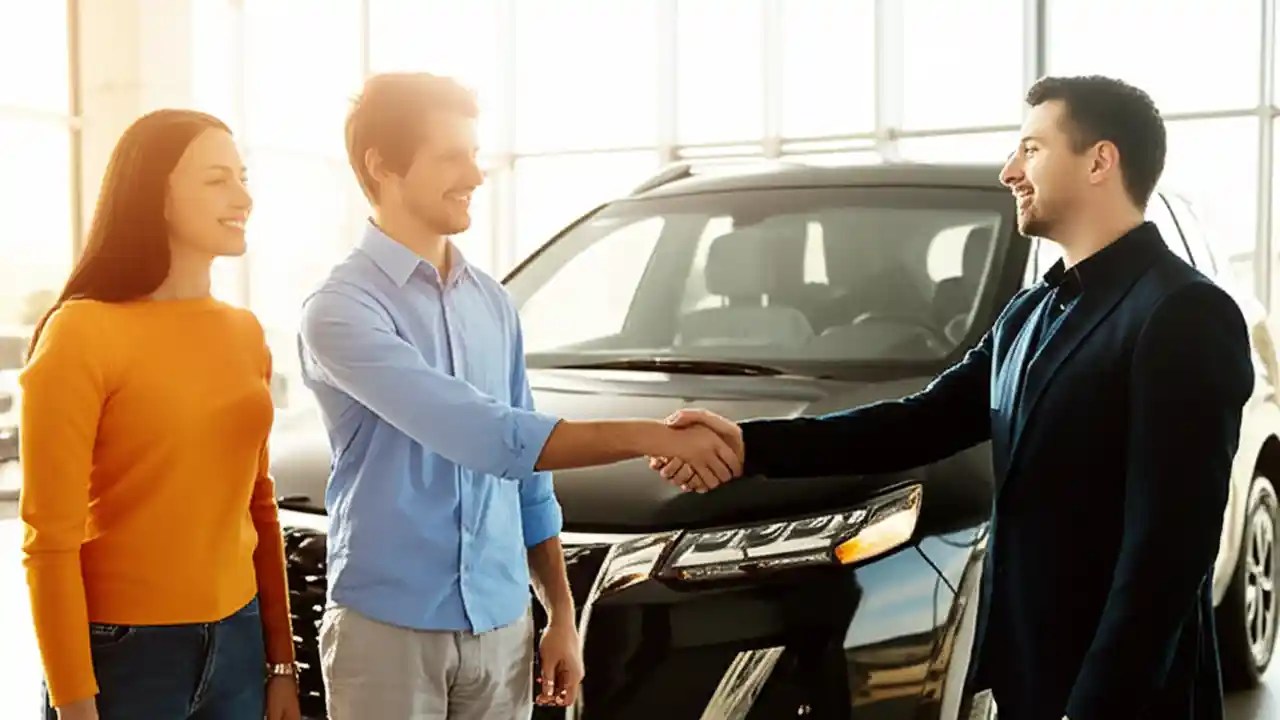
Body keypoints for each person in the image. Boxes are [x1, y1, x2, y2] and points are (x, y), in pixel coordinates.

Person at [654, 75, 1253, 720]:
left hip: (1121, 693)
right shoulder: (1031, 311)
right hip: (1032, 674)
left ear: (1100, 161)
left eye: (1030, 149)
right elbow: (923, 422)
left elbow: (1168, 552)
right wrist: (748, 443)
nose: (1009, 171)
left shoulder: (1184, 313)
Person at [297, 72, 739, 720]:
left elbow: (531, 483)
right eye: (452, 156)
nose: (475, 175)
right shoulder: (340, 310)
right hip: (388, 632)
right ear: (381, 165)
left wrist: (558, 611)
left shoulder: (492, 303)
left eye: (475, 155)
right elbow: (482, 435)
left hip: (503, 627)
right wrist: (652, 435)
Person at [20, 110, 301, 720]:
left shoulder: (244, 333)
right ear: (156, 193)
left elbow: (259, 501)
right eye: (216, 179)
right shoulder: (80, 333)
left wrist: (281, 663)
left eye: (243, 176)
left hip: (239, 641)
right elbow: (50, 544)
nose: (244, 196)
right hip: (125, 654)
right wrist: (73, 705)